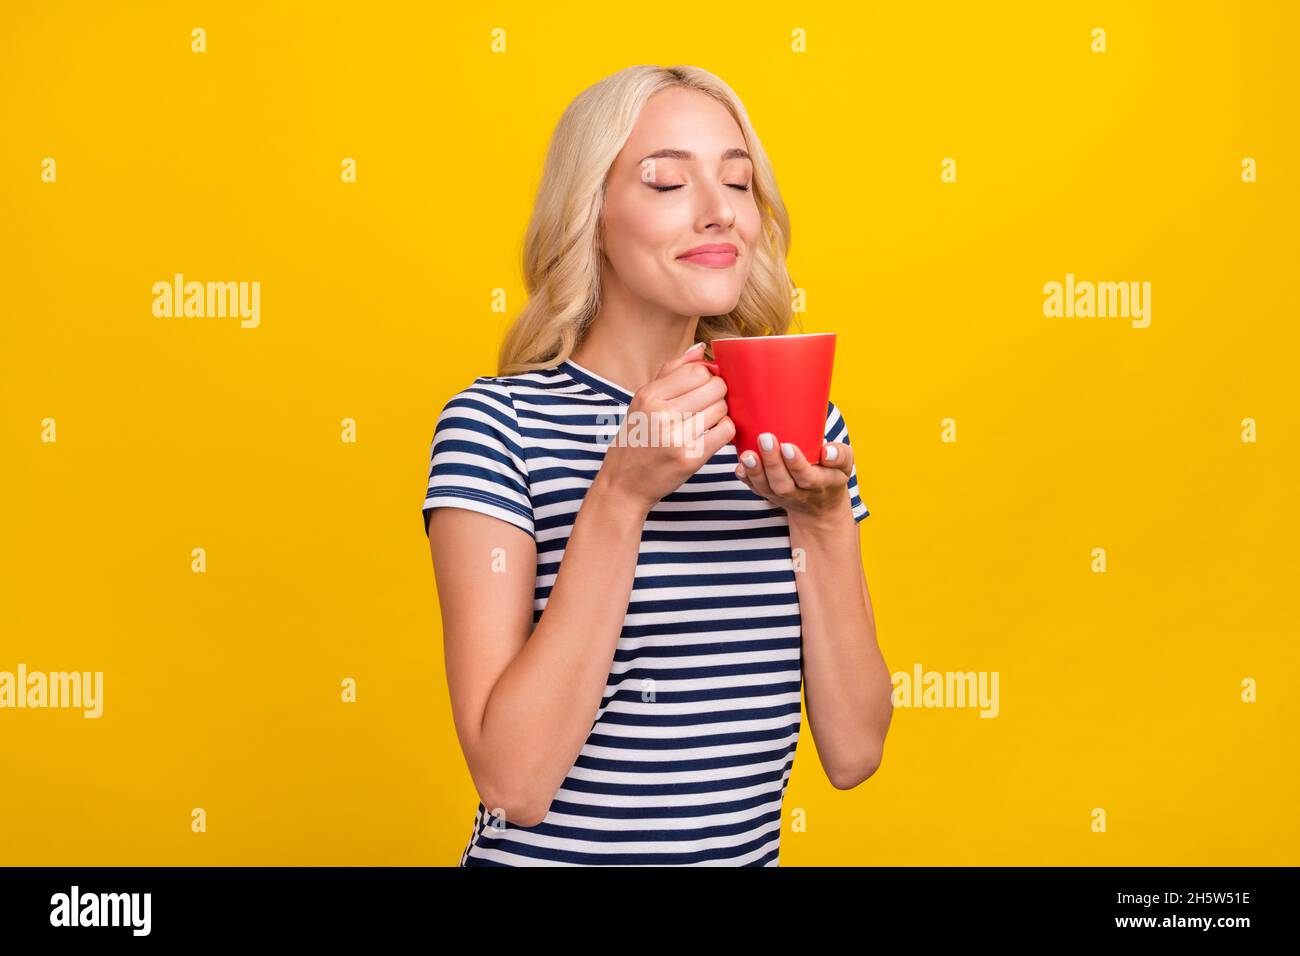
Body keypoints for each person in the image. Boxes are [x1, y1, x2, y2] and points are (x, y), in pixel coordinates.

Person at [422, 65, 893, 866]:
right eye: (668, 181)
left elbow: (854, 753)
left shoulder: (796, 423)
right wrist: (621, 492)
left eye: (738, 182)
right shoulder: (495, 427)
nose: (720, 213)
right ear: (591, 216)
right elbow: (513, 784)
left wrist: (822, 527)